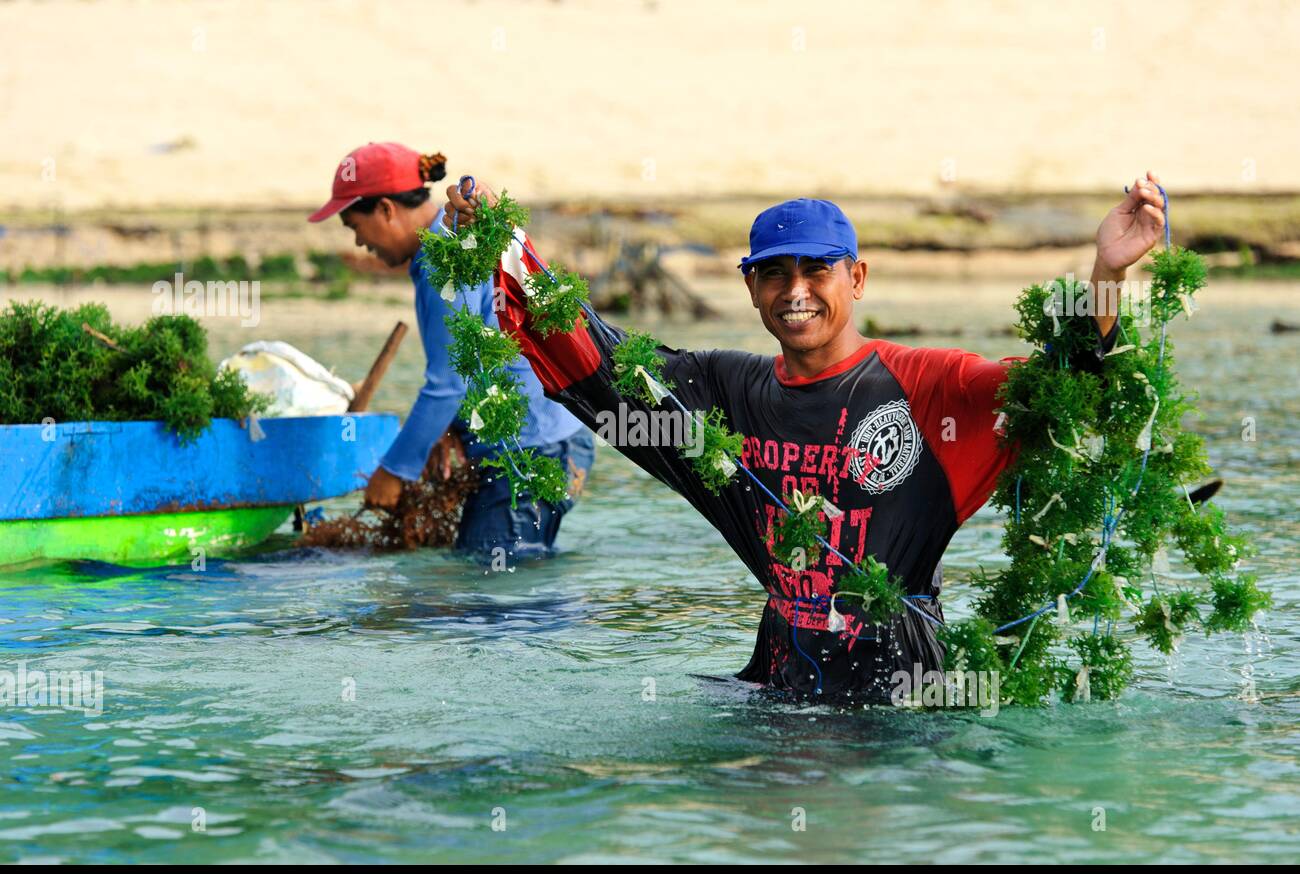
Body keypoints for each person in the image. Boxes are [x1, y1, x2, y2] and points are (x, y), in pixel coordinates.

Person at [443, 170, 1170, 702]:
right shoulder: (728, 395)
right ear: (751, 287)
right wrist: (505, 247)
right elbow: (604, 366)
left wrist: (1106, 271)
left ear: (857, 277)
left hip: (903, 693)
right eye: (773, 274)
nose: (795, 290)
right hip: (781, 677)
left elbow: (1067, 388)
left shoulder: (930, 385)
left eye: (816, 269)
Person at [307, 143, 593, 560]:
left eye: (355, 226)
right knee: (499, 586)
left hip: (531, 452)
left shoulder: (444, 259)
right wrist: (449, 430)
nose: (359, 243)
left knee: (496, 598)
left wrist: (393, 472)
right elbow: (469, 363)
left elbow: (446, 384)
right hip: (552, 440)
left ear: (386, 209)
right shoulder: (448, 242)